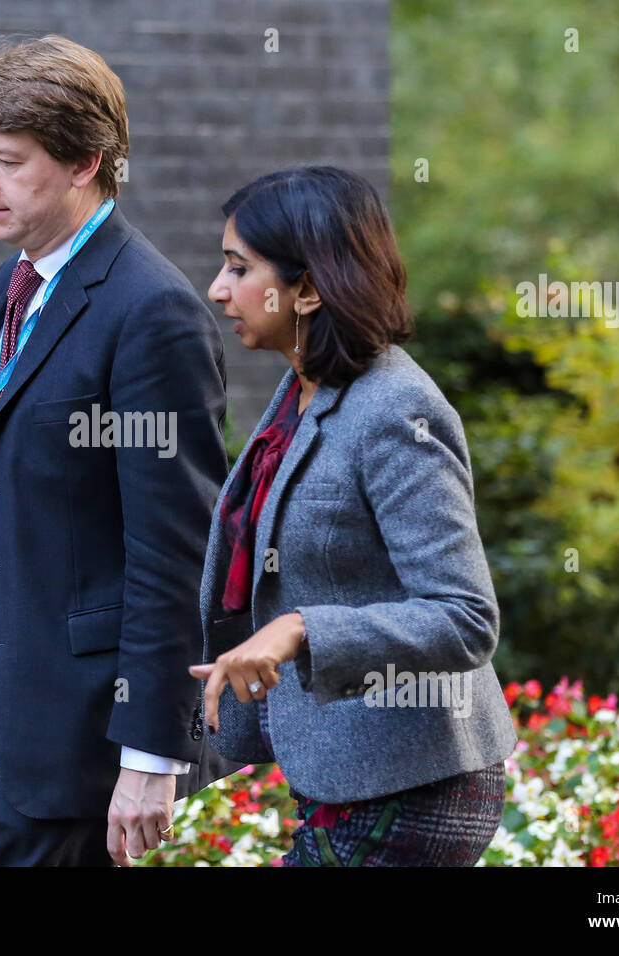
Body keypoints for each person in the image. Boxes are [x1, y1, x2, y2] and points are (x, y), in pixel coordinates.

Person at [0, 34, 242, 867]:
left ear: (87, 162)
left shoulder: (151, 312)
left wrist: (150, 757)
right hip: (14, 712)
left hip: (86, 740)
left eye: (6, 161)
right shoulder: (18, 281)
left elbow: (175, 550)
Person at [190, 166, 518, 866]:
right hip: (354, 771)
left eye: (238, 268)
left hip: (416, 781)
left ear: (307, 288)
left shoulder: (396, 411)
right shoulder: (303, 391)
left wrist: (302, 629)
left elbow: (465, 615)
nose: (219, 290)